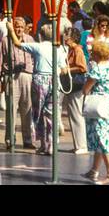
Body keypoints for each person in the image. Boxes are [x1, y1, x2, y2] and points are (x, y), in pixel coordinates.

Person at [23, 22, 69, 155]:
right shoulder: (59, 49)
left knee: (37, 113)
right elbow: (64, 70)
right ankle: (50, 145)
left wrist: (11, 30)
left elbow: (17, 44)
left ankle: (42, 142)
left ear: (40, 35)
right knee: (50, 114)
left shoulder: (38, 47)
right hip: (53, 80)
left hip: (40, 80)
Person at [83, 36, 109, 184]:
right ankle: (94, 170)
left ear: (97, 54)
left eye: (93, 53)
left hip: (99, 106)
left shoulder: (97, 69)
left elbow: (86, 89)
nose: (91, 55)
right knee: (102, 137)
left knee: (104, 140)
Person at [0, 14, 35, 148]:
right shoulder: (5, 40)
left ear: (25, 28)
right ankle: (10, 140)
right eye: (16, 27)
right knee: (11, 110)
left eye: (21, 27)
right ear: (12, 27)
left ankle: (28, 140)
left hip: (27, 76)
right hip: (11, 76)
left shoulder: (30, 39)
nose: (19, 29)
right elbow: (0, 60)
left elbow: (34, 58)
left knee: (27, 109)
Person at [63, 26, 88, 154]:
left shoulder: (77, 50)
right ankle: (78, 144)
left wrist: (68, 69)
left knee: (77, 114)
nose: (64, 37)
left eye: (66, 35)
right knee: (73, 114)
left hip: (76, 85)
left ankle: (82, 145)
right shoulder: (70, 50)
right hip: (72, 85)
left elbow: (82, 67)